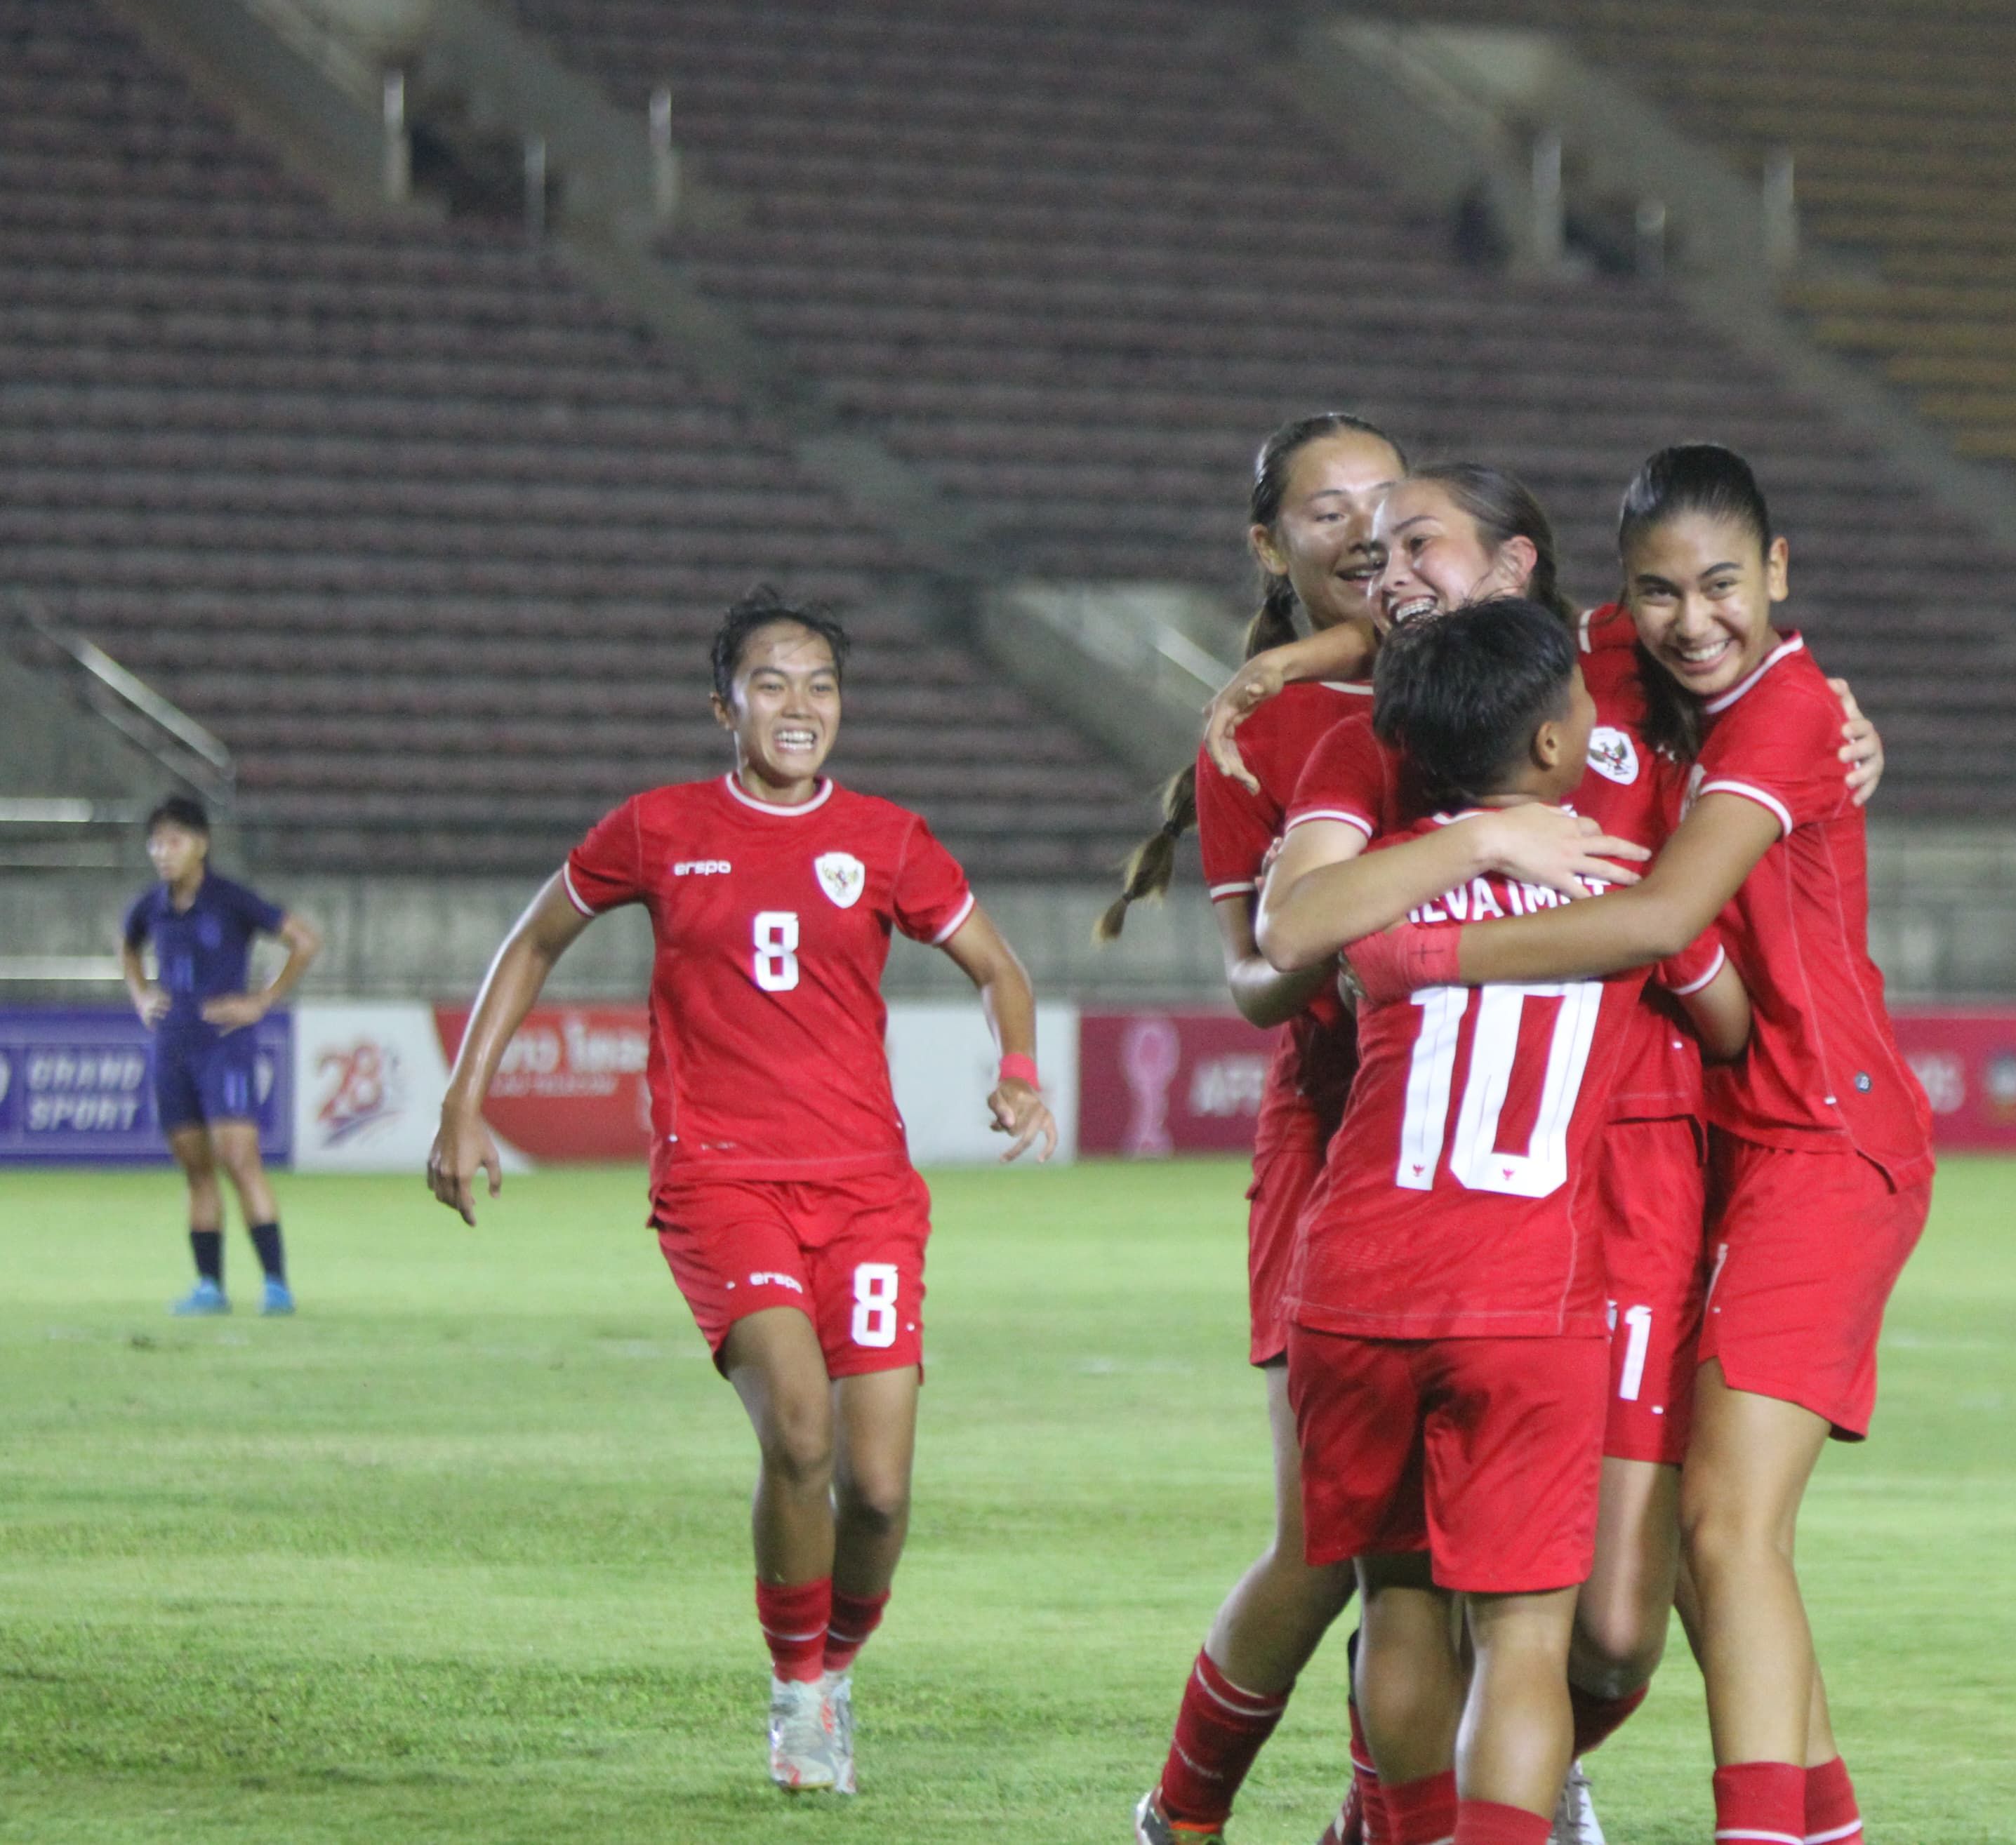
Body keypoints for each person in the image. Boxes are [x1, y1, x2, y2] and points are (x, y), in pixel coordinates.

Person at [1225, 462, 1885, 1844]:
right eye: (1364, 549)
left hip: (1705, 1151)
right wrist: (1309, 652)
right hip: (1453, 1200)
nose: (1386, 570)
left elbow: (1680, 943)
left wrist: (1420, 953)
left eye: (1416, 544)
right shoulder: (1406, 726)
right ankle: (1383, 1810)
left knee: (1632, 1612)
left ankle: (1407, 1793)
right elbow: (1275, 952)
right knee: (1445, 1583)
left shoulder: (1640, 677)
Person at [424, 585, 1057, 1798]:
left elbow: (997, 965)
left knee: (878, 1488)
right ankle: (797, 1691)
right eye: (772, 681)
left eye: (820, 683)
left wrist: (1018, 1071)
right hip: (721, 1184)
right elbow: (536, 938)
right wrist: (466, 1098)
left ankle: (838, 1662)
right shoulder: (659, 828)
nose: (798, 704)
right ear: (725, 704)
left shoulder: (887, 837)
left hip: (869, 1190)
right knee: (801, 1432)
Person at [1282, 597, 1749, 1845]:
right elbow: (1731, 1017)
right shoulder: (1617, 880)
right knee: (1526, 1636)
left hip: (1354, 1288)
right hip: (1524, 1300)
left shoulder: (1379, 887)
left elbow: (1294, 938)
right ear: (1552, 745)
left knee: (1394, 1606)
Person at [1115, 413, 1410, 1845]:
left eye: (1387, 502)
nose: (1363, 530)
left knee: (1455, 1543)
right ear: (1268, 546)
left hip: (1493, 1143)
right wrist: (1332, 936)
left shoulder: (1485, 673)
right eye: (1324, 510)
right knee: (1328, 1540)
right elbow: (1248, 981)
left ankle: (1384, 1816)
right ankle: (1181, 1814)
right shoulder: (1258, 732)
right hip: (1340, 1132)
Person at [121, 795, 321, 1317]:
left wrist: (263, 1000)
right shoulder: (152, 906)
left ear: (201, 845)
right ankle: (209, 1286)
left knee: (239, 1158)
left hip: (225, 1049)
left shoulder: (230, 899)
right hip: (173, 1049)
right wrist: (142, 994)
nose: (163, 852)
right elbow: (127, 945)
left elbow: (304, 938)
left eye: (175, 841)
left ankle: (276, 1284)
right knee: (196, 1170)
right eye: (157, 842)